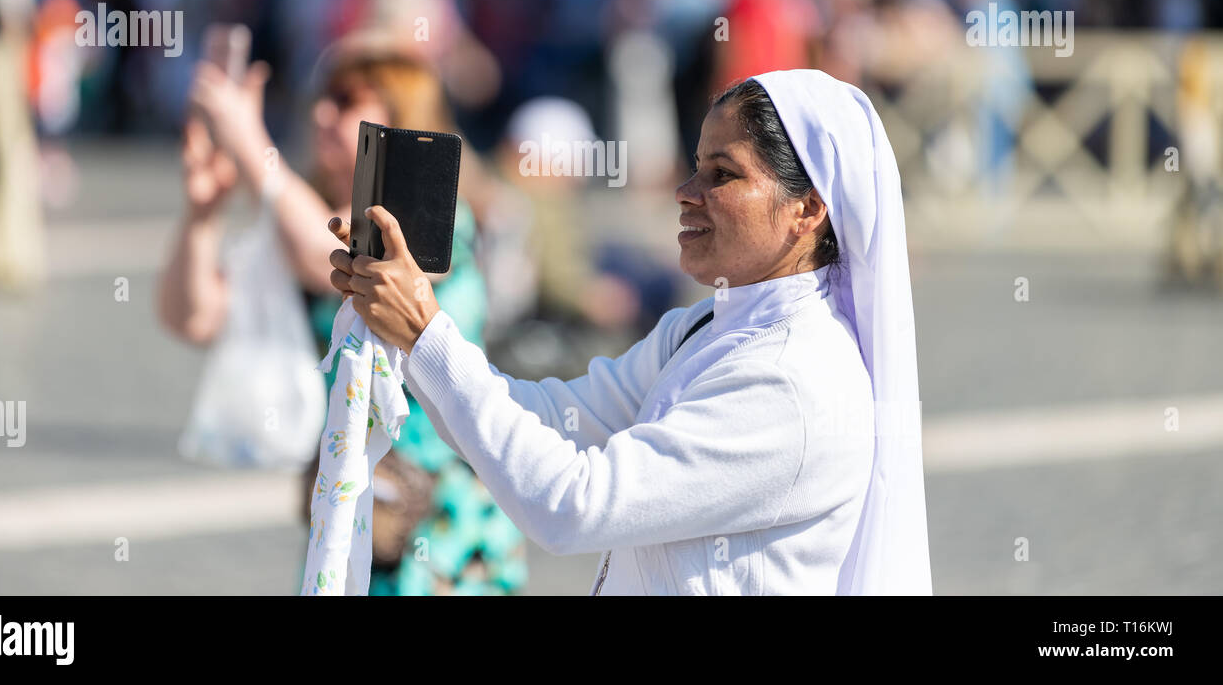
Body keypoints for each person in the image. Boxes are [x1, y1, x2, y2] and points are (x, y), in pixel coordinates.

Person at [327, 68, 933, 594]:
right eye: (696, 166)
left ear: (809, 206)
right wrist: (411, 332)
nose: (686, 193)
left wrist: (428, 333)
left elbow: (573, 505)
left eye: (722, 175)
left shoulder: (794, 380)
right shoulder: (704, 325)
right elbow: (549, 413)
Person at [157, 50, 527, 595]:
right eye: (322, 99)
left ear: (397, 120)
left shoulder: (434, 224)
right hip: (350, 515)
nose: (322, 115)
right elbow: (193, 317)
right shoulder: (302, 211)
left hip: (442, 525)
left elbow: (328, 254)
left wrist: (251, 145)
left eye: (346, 101)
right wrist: (202, 213)